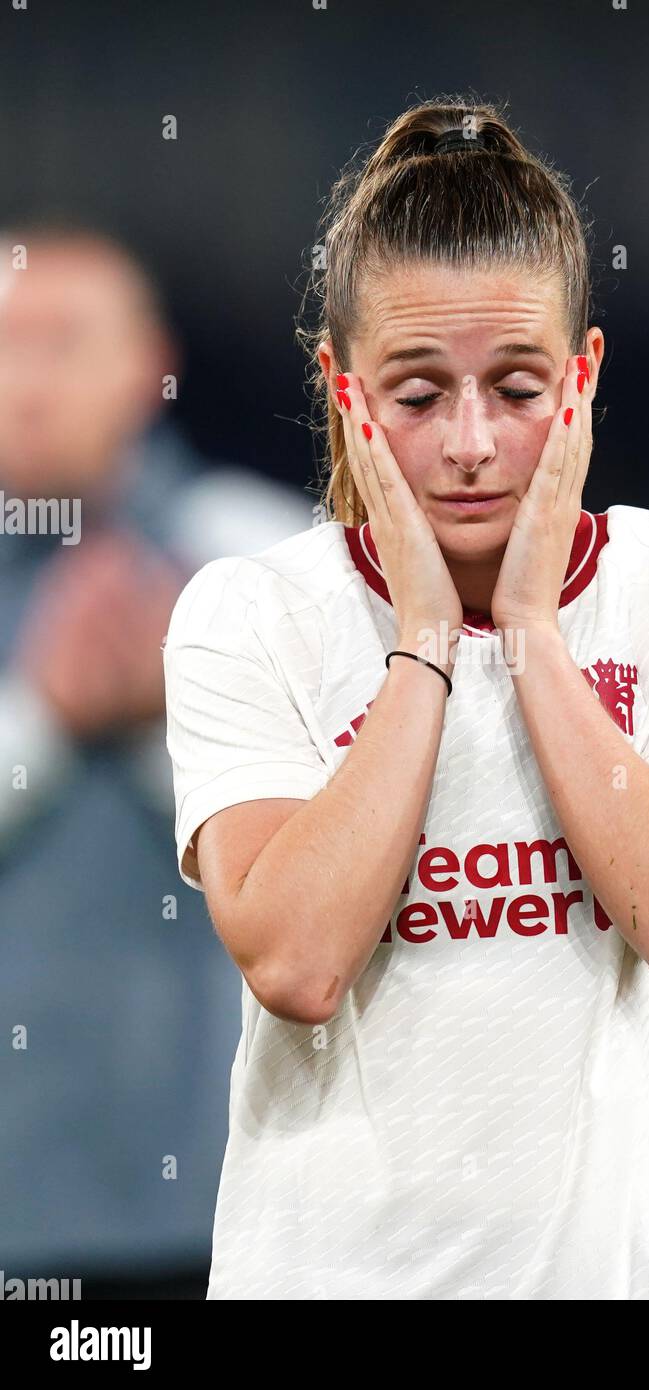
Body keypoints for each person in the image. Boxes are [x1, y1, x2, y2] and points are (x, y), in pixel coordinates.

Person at [163, 98, 649, 1300]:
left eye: (517, 387)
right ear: (340, 386)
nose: (470, 444)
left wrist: (527, 635)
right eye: (414, 395)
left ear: (585, 375)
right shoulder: (247, 614)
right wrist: (423, 643)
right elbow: (298, 962)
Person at [0, 223, 314, 1292]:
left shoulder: (267, 550)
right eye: (6, 344)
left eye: (64, 343)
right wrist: (45, 715)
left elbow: (351, 845)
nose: (29, 381)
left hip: (234, 1199)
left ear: (151, 365)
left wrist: (159, 722)